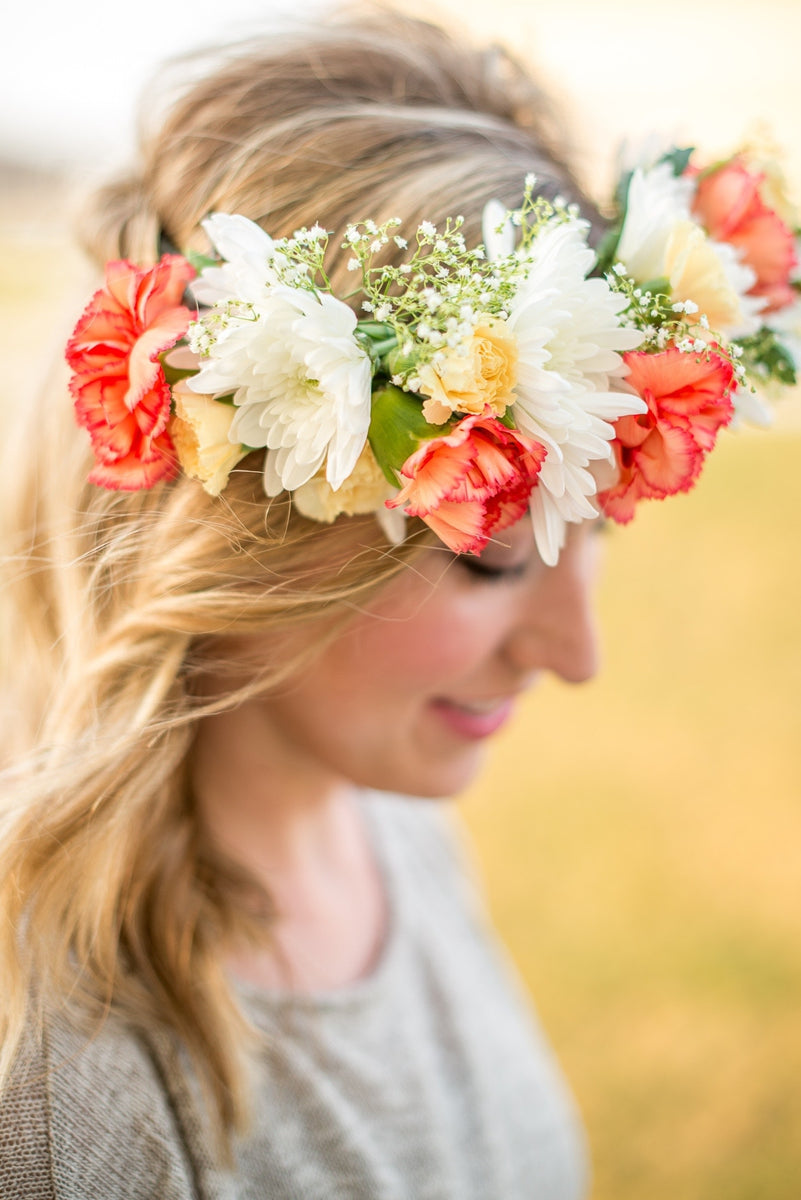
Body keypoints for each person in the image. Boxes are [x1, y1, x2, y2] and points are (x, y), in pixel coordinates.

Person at [0, 8, 796, 1199]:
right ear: (238, 529)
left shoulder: (389, 824)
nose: (576, 655)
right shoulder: (74, 1099)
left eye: (593, 536)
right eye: (495, 556)